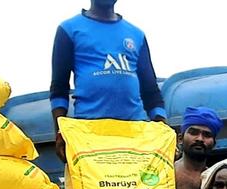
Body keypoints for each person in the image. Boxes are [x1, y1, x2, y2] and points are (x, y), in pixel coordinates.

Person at [49, 0, 167, 163]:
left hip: (135, 133)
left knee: (137, 188)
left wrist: (162, 127)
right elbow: (59, 87)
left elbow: (150, 90)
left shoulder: (136, 34)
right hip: (90, 133)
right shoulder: (69, 29)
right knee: (95, 188)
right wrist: (60, 132)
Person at [175, 106, 222, 189]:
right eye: (193, 132)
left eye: (206, 135)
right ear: (180, 138)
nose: (200, 139)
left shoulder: (216, 179)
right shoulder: (166, 174)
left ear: (214, 143)